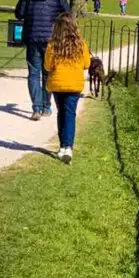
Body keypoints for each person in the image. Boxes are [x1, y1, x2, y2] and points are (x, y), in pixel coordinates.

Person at [15, 0, 69, 121]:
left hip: (32, 37)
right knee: (48, 72)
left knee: (33, 73)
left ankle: (36, 108)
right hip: (50, 39)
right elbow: (68, 14)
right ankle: (46, 106)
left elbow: (19, 13)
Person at [45, 13, 90, 165]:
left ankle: (62, 146)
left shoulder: (53, 45)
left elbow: (47, 65)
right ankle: (68, 147)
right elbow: (87, 64)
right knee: (70, 114)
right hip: (74, 85)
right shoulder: (81, 44)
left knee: (61, 113)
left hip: (58, 85)